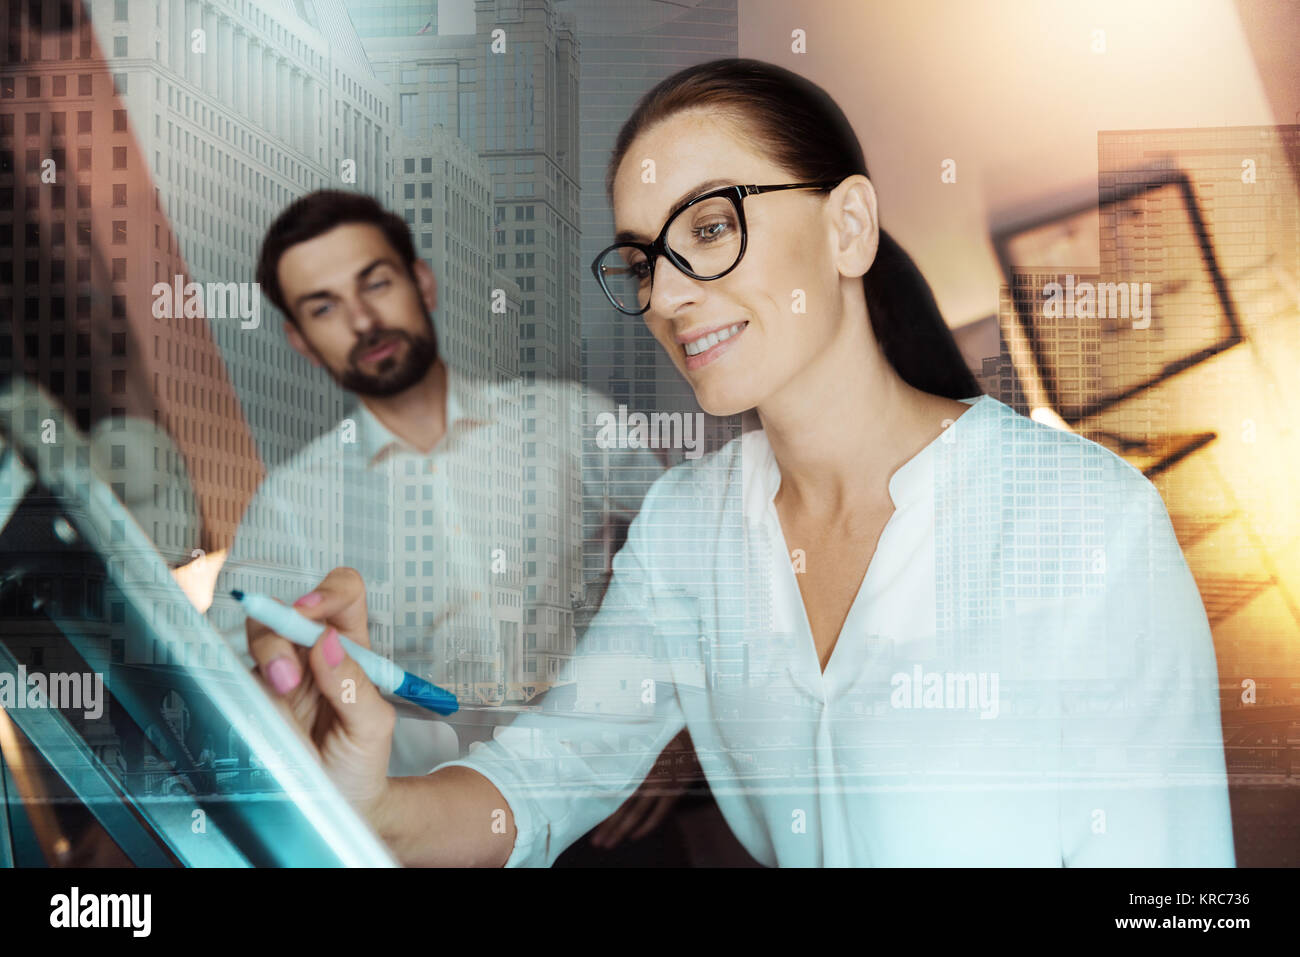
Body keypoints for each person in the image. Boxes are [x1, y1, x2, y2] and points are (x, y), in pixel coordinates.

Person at [246, 59, 1235, 867]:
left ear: (846, 227)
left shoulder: (1083, 520)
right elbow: (541, 781)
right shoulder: (688, 531)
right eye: (642, 260)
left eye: (710, 228)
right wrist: (372, 807)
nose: (669, 294)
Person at [213, 191, 678, 841]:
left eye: (375, 282)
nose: (363, 320)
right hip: (431, 839)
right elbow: (215, 707)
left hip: (619, 821)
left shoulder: (571, 421)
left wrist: (677, 739)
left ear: (421, 281)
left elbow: (696, 583)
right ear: (301, 341)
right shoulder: (287, 509)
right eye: (324, 306)